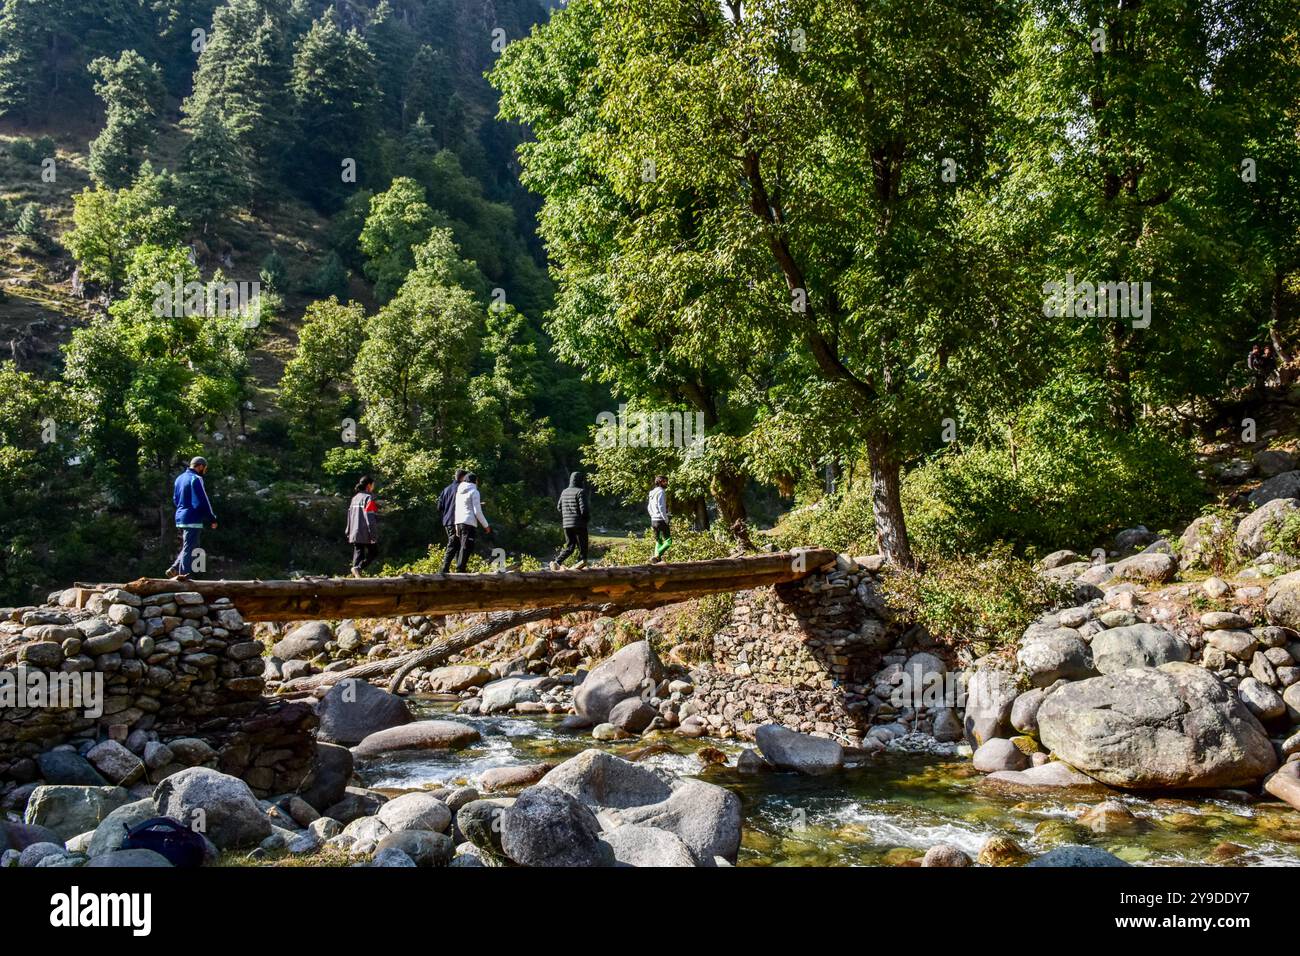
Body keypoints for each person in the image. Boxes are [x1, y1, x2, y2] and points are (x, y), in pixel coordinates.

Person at [166, 456, 217, 581]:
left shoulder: (179, 478)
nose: (204, 471)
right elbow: (204, 500)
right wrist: (212, 518)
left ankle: (174, 568)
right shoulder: (196, 478)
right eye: (204, 468)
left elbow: (175, 499)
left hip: (180, 516)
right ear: (200, 466)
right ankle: (183, 576)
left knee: (192, 545)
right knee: (190, 547)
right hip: (192, 518)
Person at [449, 472, 492, 573]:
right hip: (468, 523)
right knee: (467, 546)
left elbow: (457, 509)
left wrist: (456, 525)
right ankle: (460, 569)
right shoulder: (474, 491)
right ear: (474, 481)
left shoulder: (459, 492)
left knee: (462, 546)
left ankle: (460, 567)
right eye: (477, 480)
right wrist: (486, 525)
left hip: (459, 522)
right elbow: (477, 511)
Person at [551, 471, 590, 569]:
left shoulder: (564, 491)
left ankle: (556, 562)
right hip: (579, 525)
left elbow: (559, 507)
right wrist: (586, 519)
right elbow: (584, 510)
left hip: (567, 525)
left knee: (570, 547)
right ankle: (581, 565)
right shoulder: (580, 491)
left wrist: (567, 515)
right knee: (583, 547)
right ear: (580, 480)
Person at [346, 476, 379, 577]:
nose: (373, 487)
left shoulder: (354, 498)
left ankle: (356, 574)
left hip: (354, 531)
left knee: (358, 553)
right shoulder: (369, 498)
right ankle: (359, 568)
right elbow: (370, 517)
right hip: (365, 532)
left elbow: (349, 515)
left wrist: (348, 530)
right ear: (369, 485)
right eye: (373, 485)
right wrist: (373, 535)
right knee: (374, 552)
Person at [437, 468, 467, 573]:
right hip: (456, 520)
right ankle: (444, 570)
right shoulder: (462, 489)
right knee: (454, 543)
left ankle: (459, 570)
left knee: (457, 544)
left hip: (447, 521)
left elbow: (439, 507)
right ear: (463, 477)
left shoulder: (446, 490)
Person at [647, 474, 671, 563]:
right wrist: (666, 519)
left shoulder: (652, 493)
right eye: (665, 481)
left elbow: (649, 507)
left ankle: (656, 559)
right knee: (668, 541)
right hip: (661, 520)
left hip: (653, 520)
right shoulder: (661, 492)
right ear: (660, 482)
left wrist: (653, 516)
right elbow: (661, 507)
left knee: (659, 540)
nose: (667, 483)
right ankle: (657, 555)